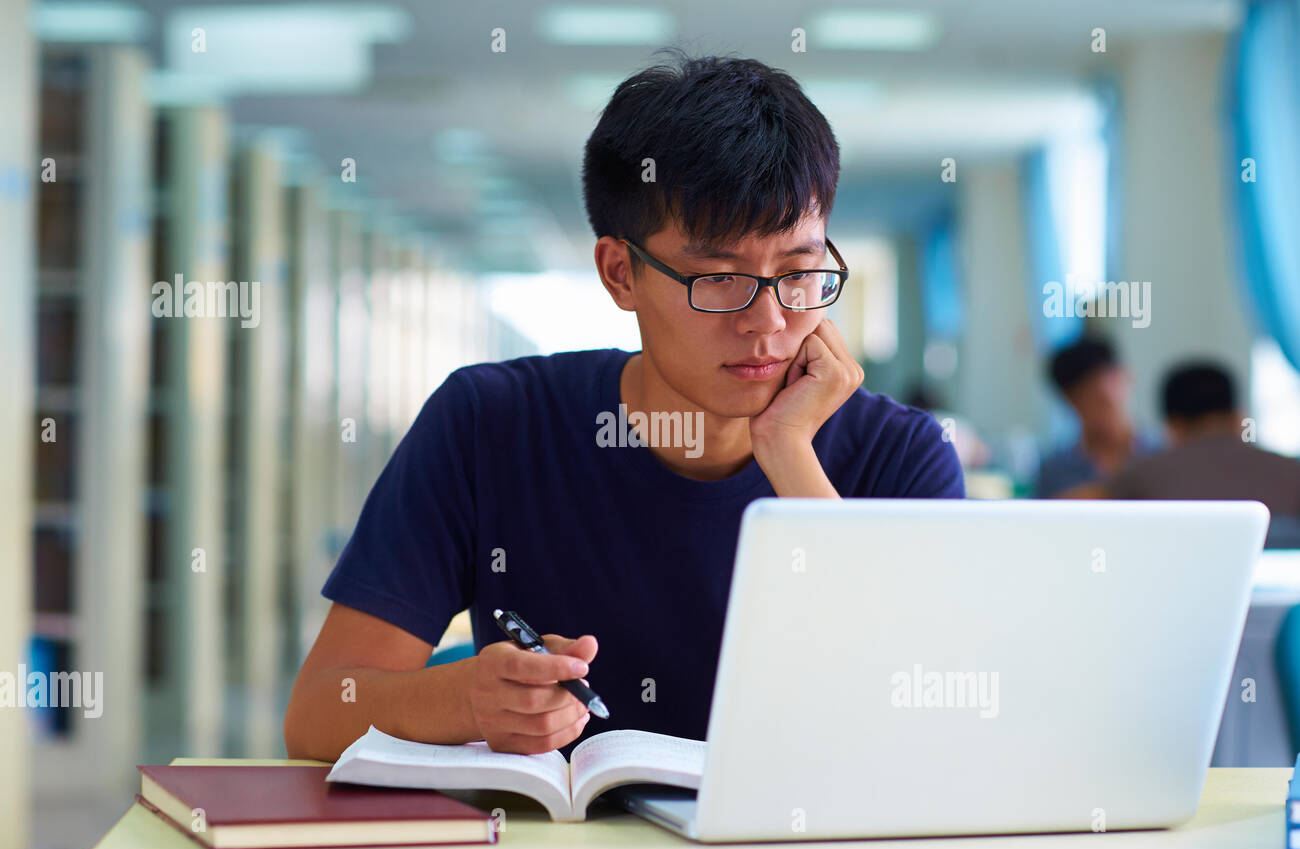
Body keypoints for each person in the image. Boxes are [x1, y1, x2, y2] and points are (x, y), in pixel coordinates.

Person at [284, 52, 965, 761]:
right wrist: (465, 701)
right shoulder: (490, 424)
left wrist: (791, 456)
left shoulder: (901, 456)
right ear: (620, 273)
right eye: (720, 279)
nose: (768, 322)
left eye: (798, 273)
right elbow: (318, 711)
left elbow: (931, 718)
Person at [1063, 361, 1300, 518]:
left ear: (1172, 426)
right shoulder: (1293, 472)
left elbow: (1069, 510)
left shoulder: (1143, 475)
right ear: (1240, 418)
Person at [1035, 336, 1161, 498]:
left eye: (1101, 399)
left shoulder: (1162, 454)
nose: (1093, 410)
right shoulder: (1055, 471)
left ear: (1125, 377)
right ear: (1068, 402)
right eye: (1081, 400)